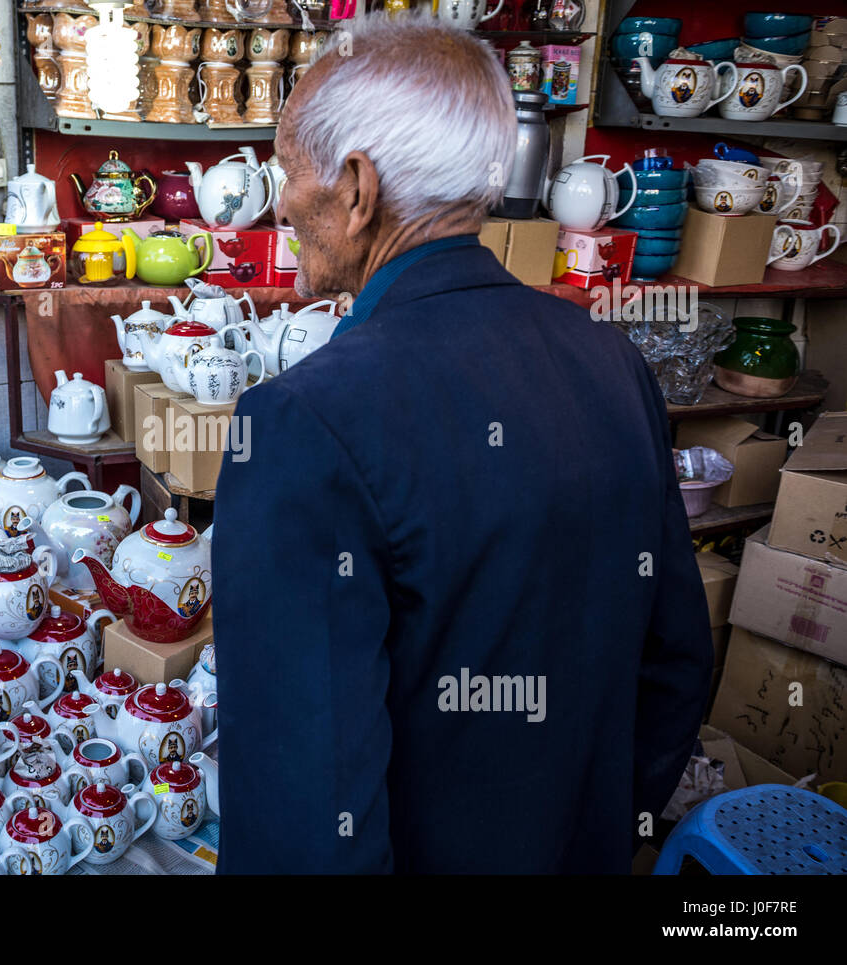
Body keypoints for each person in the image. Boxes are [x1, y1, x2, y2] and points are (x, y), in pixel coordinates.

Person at [211, 15, 712, 874]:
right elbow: (675, 667)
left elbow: (303, 823)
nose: (283, 198)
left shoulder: (299, 424)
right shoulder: (610, 359)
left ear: (358, 188)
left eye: (289, 169)